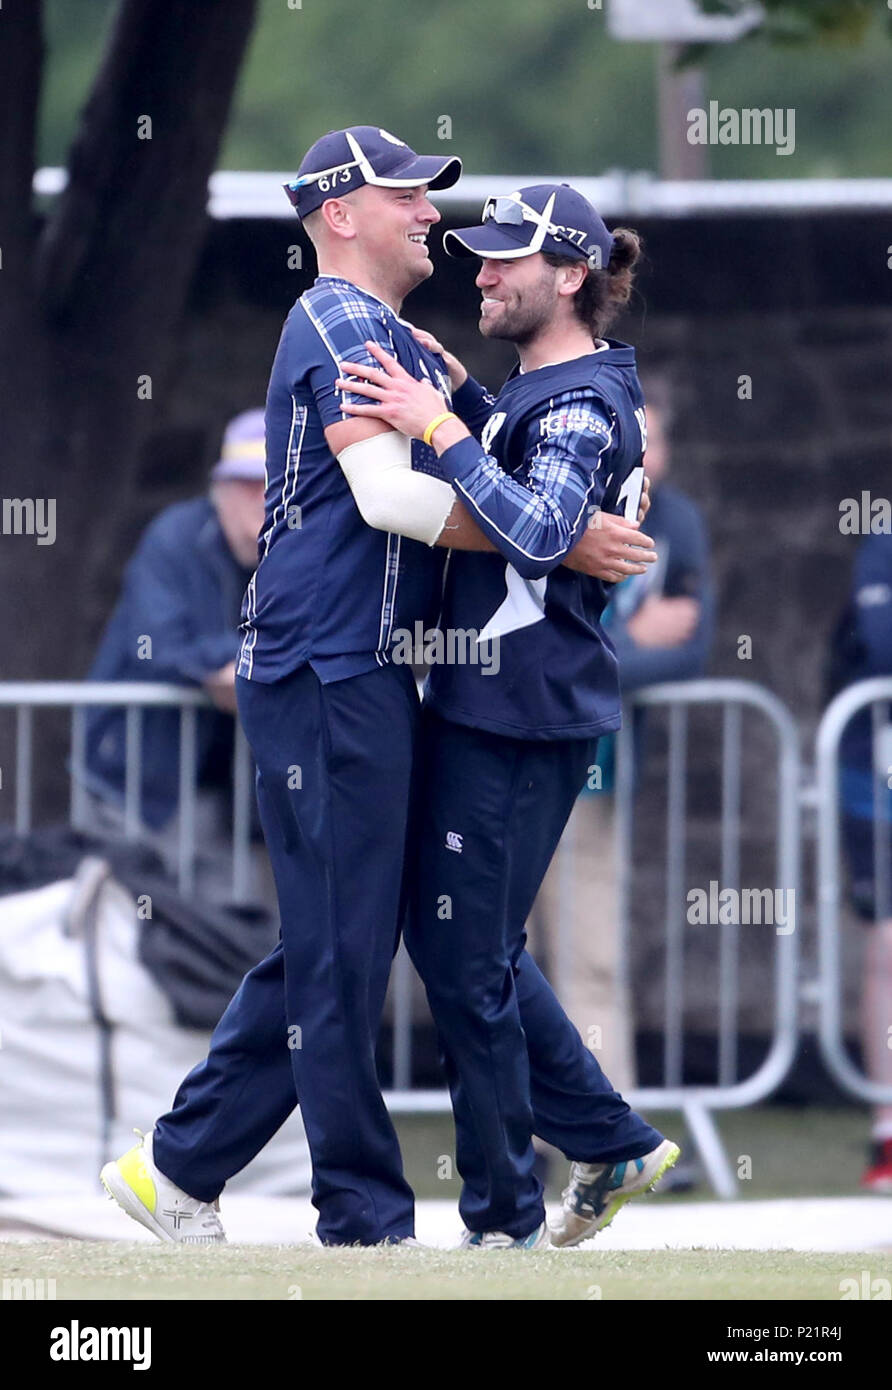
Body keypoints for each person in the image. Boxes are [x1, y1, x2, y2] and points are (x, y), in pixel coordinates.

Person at [98, 131, 639, 1248]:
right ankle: (358, 1216)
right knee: (343, 947)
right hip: (324, 664)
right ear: (341, 212)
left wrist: (486, 452)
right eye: (411, 195)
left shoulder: (387, 331)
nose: (433, 215)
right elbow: (390, 502)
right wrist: (554, 543)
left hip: (364, 670)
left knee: (346, 939)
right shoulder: (339, 318)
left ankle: (181, 1165)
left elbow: (450, 483)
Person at [338, 182, 679, 1247]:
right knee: (465, 954)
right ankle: (609, 1142)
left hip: (521, 713)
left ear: (570, 275)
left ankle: (505, 1219)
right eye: (476, 255)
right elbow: (528, 478)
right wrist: (464, 403)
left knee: (470, 964)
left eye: (504, 261)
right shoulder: (551, 388)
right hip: (502, 702)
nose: (477, 271)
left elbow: (535, 528)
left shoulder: (579, 398)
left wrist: (436, 421)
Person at [530, 376, 714, 1096]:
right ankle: (519, 1135)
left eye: (658, 438)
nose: (648, 452)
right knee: (506, 954)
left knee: (590, 955)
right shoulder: (557, 503)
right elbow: (533, 647)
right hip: (513, 754)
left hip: (596, 772)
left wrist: (600, 649)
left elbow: (693, 649)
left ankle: (602, 1140)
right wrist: (624, 639)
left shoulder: (679, 522)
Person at [82, 409, 267, 900]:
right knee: (123, 928)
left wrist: (239, 665)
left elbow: (309, 635)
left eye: (276, 488)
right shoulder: (174, 536)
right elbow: (158, 645)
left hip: (223, 796)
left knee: (218, 940)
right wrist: (241, 662)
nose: (266, 503)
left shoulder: (285, 552)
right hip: (134, 782)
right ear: (224, 491)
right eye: (251, 488)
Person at [830, 531, 892, 1191]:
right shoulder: (882, 546)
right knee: (888, 944)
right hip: (874, 775)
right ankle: (888, 1132)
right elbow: (880, 644)